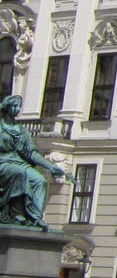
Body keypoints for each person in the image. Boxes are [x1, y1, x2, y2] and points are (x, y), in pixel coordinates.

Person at [0, 93, 67, 229]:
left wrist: (51, 166)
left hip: (18, 162)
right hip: (3, 161)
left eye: (19, 106)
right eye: (14, 106)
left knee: (40, 181)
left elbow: (31, 153)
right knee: (19, 173)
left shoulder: (21, 131)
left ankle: (35, 218)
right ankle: (17, 214)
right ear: (7, 107)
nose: (17, 109)